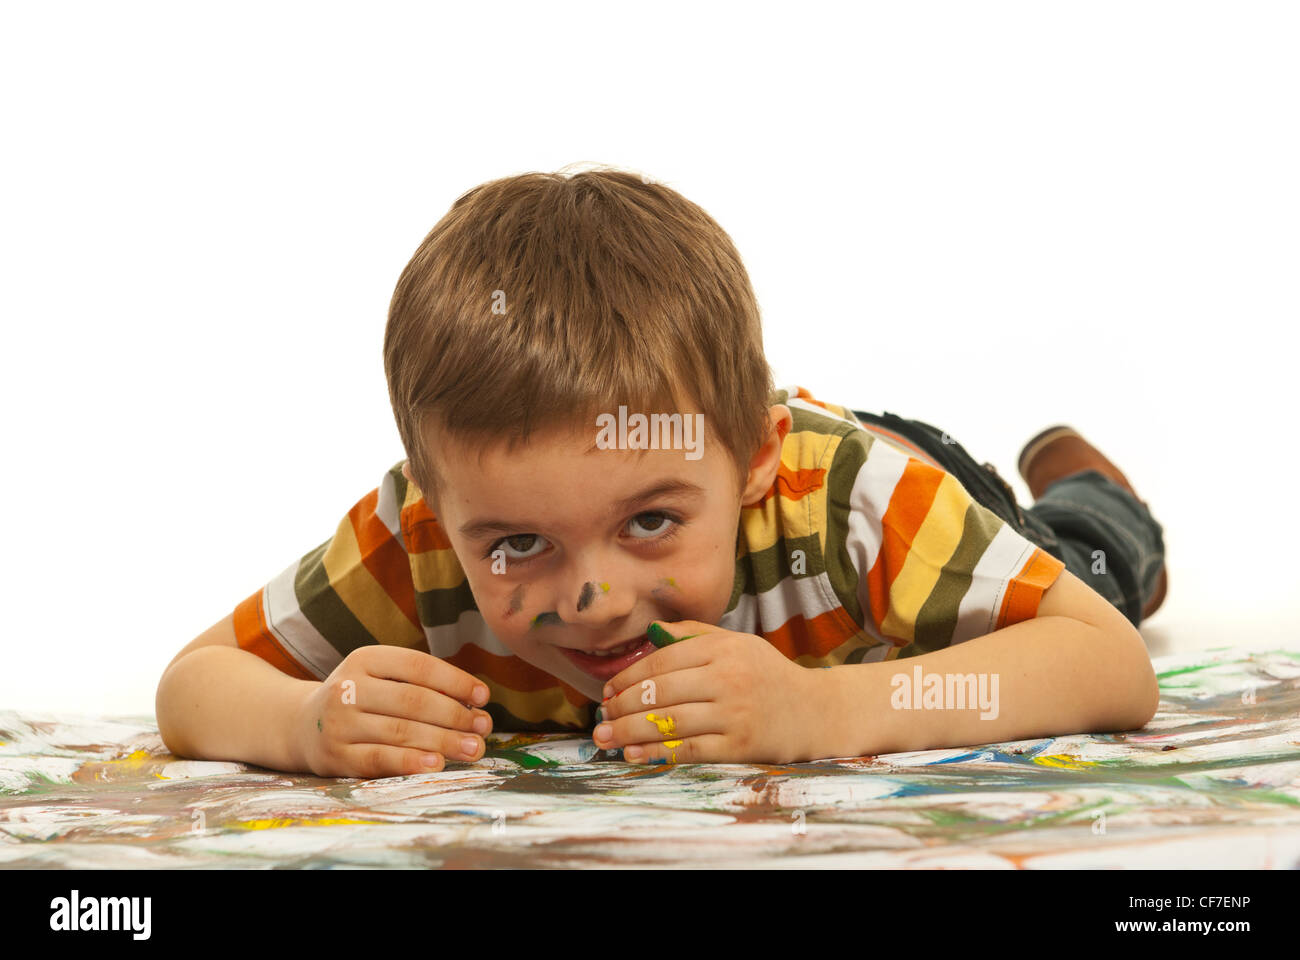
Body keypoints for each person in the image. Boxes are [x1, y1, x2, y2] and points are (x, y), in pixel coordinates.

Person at [155, 168, 1167, 777]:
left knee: (1094, 564)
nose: (593, 599)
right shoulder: (416, 537)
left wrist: (819, 711)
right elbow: (194, 684)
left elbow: (1109, 665)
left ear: (754, 461)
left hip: (907, 473)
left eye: (648, 523)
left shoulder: (846, 505)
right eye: (519, 543)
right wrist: (307, 723)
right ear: (436, 505)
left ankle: (1085, 490)